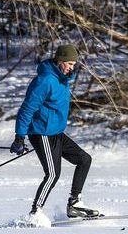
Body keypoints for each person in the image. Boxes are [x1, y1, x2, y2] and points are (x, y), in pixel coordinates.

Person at [10, 44, 99, 218]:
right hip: (41, 133)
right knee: (52, 174)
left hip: (56, 133)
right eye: (70, 64)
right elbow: (26, 109)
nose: (72, 68)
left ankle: (74, 204)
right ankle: (35, 213)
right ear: (60, 61)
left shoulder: (62, 79)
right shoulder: (45, 81)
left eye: (74, 65)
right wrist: (19, 137)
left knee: (84, 159)